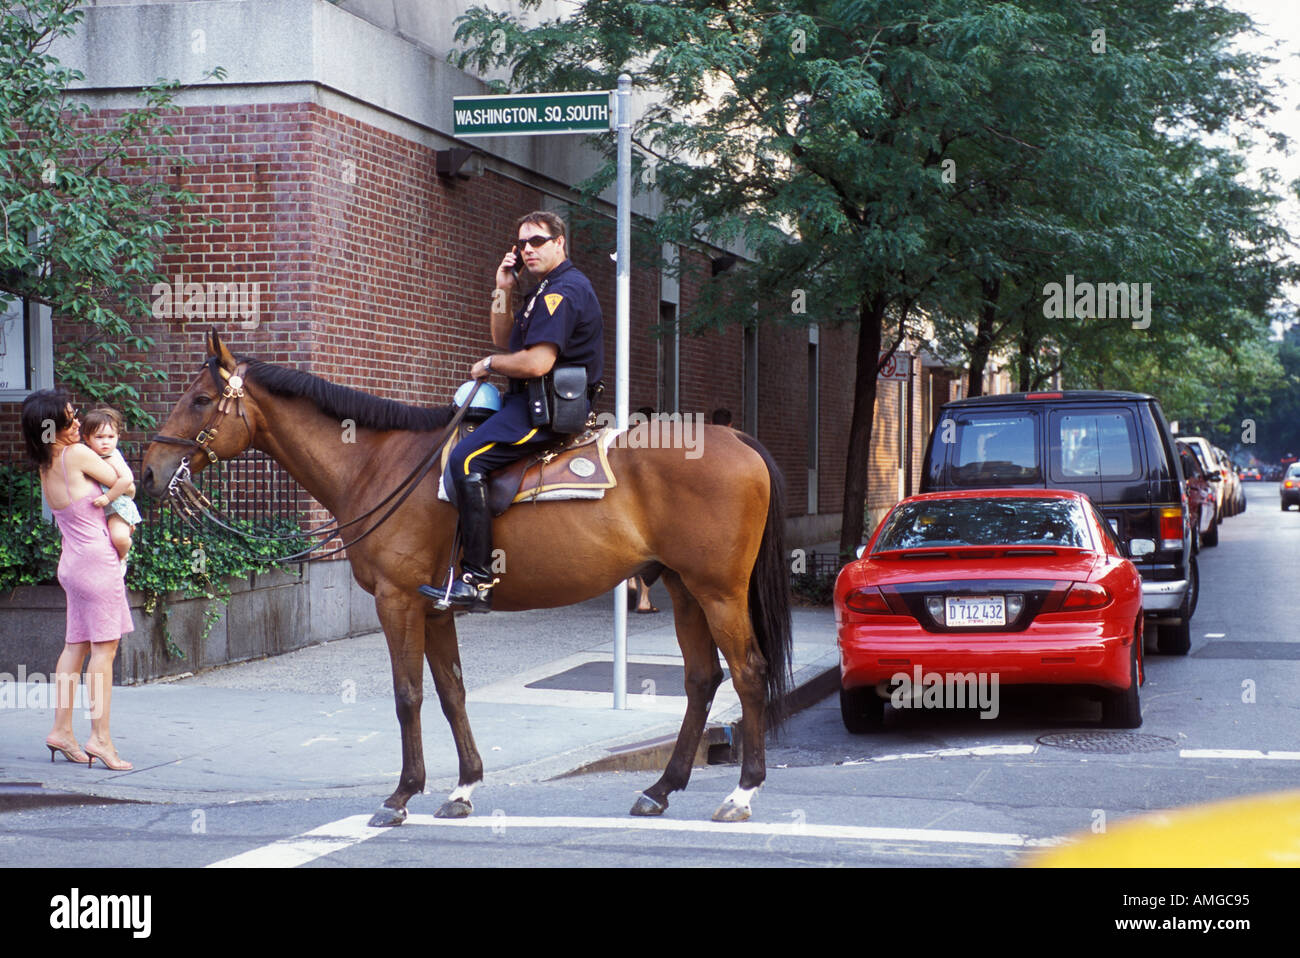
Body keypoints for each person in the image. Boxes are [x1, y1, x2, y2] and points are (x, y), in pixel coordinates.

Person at [419, 210, 604, 611]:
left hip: (547, 408)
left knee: (466, 460)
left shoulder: (562, 291)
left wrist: (489, 365)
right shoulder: (541, 289)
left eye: (538, 241)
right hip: (529, 400)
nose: (528, 249)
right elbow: (504, 337)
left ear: (560, 242)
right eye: (522, 243)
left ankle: (478, 578)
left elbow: (536, 362)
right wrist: (503, 286)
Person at [21, 389, 135, 770]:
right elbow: (127, 485)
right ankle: (100, 739)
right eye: (69, 419)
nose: (76, 424)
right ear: (51, 427)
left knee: (75, 648)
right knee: (104, 651)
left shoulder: (46, 464)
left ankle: (61, 731)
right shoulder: (78, 454)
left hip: (71, 564)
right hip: (97, 564)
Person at [80, 405, 142, 574]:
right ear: (87, 438)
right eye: (99, 437)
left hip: (116, 507)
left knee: (120, 538)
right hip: (96, 508)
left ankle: (123, 556)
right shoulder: (86, 455)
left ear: (117, 437)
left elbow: (127, 479)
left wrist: (108, 498)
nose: (105, 441)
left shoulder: (112, 455)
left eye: (110, 436)